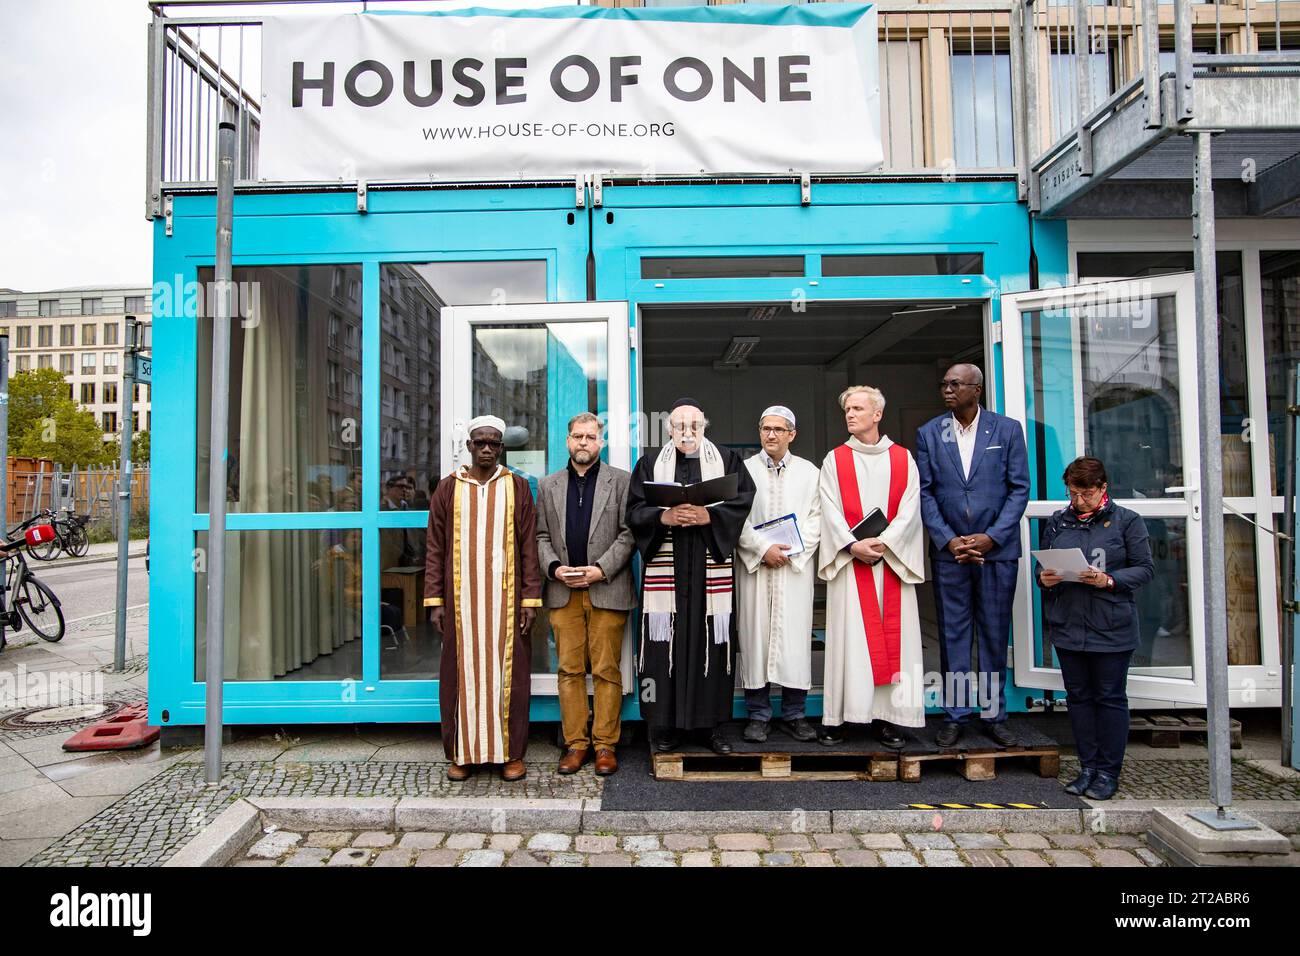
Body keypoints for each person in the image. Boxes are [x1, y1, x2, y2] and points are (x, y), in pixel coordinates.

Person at [625, 398, 756, 754]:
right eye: (679, 426)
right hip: (668, 573)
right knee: (661, 646)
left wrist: (709, 517)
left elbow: (744, 500)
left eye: (693, 426)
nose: (686, 432)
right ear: (668, 429)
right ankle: (663, 727)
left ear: (704, 427)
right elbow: (634, 510)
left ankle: (711, 728)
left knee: (711, 645)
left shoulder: (727, 461)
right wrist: (662, 518)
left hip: (707, 567)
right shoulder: (650, 464)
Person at [915, 363, 1030, 748]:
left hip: (995, 553)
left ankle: (994, 714)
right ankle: (956, 714)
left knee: (994, 634)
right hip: (951, 554)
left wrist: (992, 538)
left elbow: (1019, 489)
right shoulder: (930, 433)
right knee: (954, 635)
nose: (947, 389)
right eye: (944, 383)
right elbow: (925, 493)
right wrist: (948, 540)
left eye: (955, 384)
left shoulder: (1008, 430)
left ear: (976, 389)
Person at [423, 415, 542, 782]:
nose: (487, 448)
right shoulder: (448, 488)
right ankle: (462, 753)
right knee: (459, 675)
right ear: (470, 446)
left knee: (512, 677)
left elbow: (528, 547)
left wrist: (529, 599)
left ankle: (511, 754)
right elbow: (434, 547)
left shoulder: (518, 487)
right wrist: (435, 600)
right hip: (461, 604)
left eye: (494, 443)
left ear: (502, 447)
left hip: (506, 605)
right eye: (481, 443)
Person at [817, 386, 927, 748]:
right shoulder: (835, 459)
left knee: (897, 642)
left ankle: (890, 719)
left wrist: (885, 543)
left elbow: (911, 509)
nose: (850, 414)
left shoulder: (902, 459)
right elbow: (828, 510)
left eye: (858, 408)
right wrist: (852, 544)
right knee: (849, 642)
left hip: (889, 565)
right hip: (852, 565)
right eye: (847, 408)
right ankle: (841, 718)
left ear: (877, 414)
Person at [1038, 457, 1153, 800]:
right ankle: (1087, 767)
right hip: (1070, 623)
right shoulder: (1058, 523)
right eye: (1074, 493)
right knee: (1078, 698)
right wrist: (1044, 579)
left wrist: (1109, 579)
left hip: (1111, 624)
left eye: (1086, 494)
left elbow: (1145, 569)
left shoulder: (1127, 522)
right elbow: (1045, 567)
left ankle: (1108, 771)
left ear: (1103, 489)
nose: (1079, 501)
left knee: (1110, 698)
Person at [536, 412, 636, 776]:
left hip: (607, 587)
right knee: (569, 670)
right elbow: (540, 536)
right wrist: (554, 569)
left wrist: (601, 569)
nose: (583, 442)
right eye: (577, 436)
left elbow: (629, 534)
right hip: (563, 591)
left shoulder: (621, 482)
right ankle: (576, 744)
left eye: (590, 437)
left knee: (608, 670)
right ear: (567, 440)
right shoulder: (548, 485)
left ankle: (605, 744)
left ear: (601, 442)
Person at [735, 406, 822, 743]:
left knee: (795, 638)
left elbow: (818, 517)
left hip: (792, 567)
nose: (770, 435)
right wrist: (762, 550)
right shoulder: (743, 471)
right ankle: (757, 714)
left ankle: (795, 713)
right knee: (755, 637)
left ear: (792, 434)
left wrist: (791, 551)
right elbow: (735, 517)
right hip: (756, 568)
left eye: (778, 429)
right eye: (765, 428)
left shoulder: (809, 472)